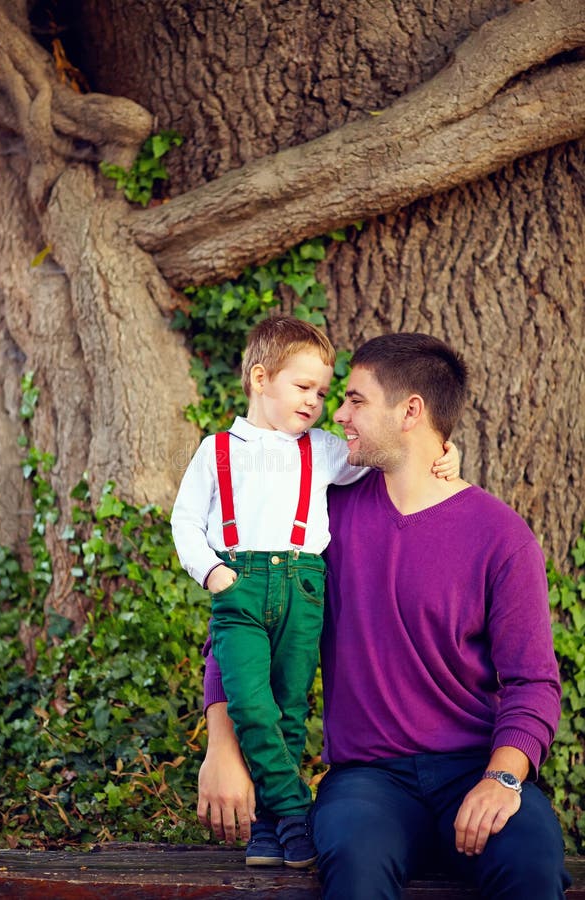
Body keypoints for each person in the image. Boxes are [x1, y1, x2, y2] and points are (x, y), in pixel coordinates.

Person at [198, 332, 571, 899]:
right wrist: (222, 747)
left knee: (533, 865)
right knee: (354, 862)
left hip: (474, 766)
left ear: (410, 412)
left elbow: (533, 682)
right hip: (367, 781)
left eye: (355, 400)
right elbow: (245, 617)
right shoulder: (322, 517)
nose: (337, 415)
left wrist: (502, 779)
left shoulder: (500, 536)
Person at [171, 318, 459, 869]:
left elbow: (389, 458)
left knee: (288, 711)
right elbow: (185, 522)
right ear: (260, 378)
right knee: (250, 706)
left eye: (324, 393)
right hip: (239, 588)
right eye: (304, 388)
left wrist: (444, 454)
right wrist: (212, 574)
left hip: (303, 589)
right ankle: (296, 810)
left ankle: (267, 827)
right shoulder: (217, 451)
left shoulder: (325, 450)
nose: (317, 402)